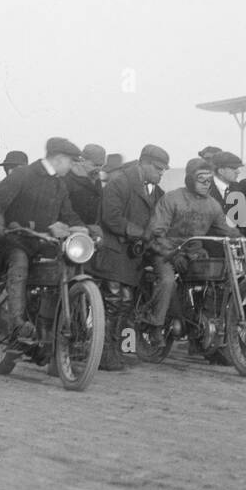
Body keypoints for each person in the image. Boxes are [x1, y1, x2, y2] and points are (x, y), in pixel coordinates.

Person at [0, 138, 91, 342]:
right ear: (59, 159)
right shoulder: (23, 174)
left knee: (63, 268)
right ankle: (16, 323)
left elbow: (69, 214)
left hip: (42, 244)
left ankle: (49, 327)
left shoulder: (60, 185)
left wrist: (85, 230)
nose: (71, 167)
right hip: (14, 240)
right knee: (19, 261)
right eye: (70, 162)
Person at [140, 158, 240, 337]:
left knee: (216, 279)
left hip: (193, 254)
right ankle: (154, 323)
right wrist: (171, 253)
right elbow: (155, 233)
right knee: (168, 280)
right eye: (201, 179)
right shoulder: (172, 198)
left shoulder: (212, 205)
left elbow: (227, 229)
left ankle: (203, 325)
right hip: (164, 252)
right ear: (189, 179)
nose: (206, 184)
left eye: (209, 179)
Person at [91, 144, 169, 370]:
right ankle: (106, 354)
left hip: (131, 255)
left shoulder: (155, 191)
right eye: (157, 168)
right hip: (114, 252)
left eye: (164, 169)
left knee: (125, 304)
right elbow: (111, 218)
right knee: (115, 303)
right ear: (142, 163)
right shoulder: (120, 183)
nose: (161, 173)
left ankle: (114, 351)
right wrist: (140, 233)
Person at [65, 144, 107, 226]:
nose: (99, 169)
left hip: (89, 230)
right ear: (82, 160)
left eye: (101, 165)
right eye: (95, 165)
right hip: (72, 229)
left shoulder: (96, 178)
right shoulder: (68, 178)